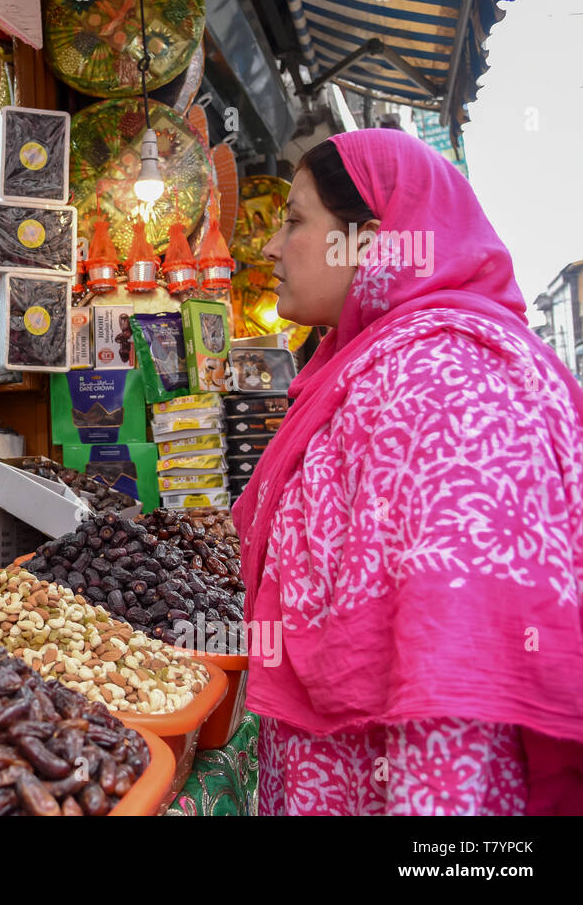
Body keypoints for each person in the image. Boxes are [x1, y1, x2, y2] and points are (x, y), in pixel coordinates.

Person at [234, 128, 583, 815]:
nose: (271, 247)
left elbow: (457, 666)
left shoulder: (447, 380)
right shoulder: (377, 366)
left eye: (295, 220)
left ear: (369, 241)